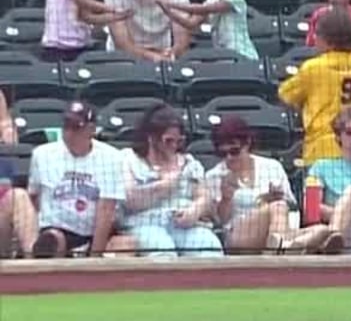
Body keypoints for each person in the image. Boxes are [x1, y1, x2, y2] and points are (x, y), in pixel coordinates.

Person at [207, 117, 340, 254]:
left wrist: (276, 197)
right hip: (238, 235)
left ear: (247, 144)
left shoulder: (271, 166)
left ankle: (284, 246)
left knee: (323, 231)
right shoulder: (215, 175)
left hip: (277, 229)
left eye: (234, 151)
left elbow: (292, 207)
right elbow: (219, 222)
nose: (229, 157)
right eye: (222, 153)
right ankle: (282, 250)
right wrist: (226, 198)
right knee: (278, 206)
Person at [277, 5, 351, 165]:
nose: (314, 39)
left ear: (328, 40)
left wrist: (303, 106)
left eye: (317, 34)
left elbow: (284, 95)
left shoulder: (313, 68)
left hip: (320, 150)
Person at [26, 102, 130, 258]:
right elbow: (34, 197)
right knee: (53, 239)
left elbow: (106, 210)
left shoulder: (111, 157)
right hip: (58, 231)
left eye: (76, 128)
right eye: (66, 127)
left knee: (127, 244)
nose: (69, 133)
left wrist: (94, 256)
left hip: (95, 232)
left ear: (92, 129)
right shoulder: (42, 155)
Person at [119, 104, 224, 258]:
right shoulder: (128, 159)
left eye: (179, 141)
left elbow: (204, 196)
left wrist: (194, 211)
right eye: (168, 141)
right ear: (151, 137)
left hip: (186, 224)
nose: (174, 146)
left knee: (210, 249)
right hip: (145, 224)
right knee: (163, 251)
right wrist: (165, 185)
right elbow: (130, 200)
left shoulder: (189, 163)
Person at [305, 106, 351, 251]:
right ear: (338, 136)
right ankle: (332, 237)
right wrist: (348, 213)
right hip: (348, 229)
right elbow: (311, 209)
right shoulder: (321, 167)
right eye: (350, 132)